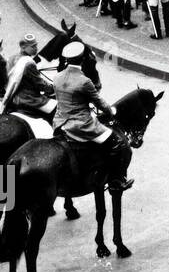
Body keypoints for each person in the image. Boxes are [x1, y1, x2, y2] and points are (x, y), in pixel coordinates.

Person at [51, 41, 132, 192]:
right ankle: (116, 180)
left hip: (60, 122)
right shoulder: (84, 81)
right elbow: (99, 102)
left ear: (67, 60)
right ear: (82, 60)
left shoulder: (57, 77)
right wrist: (110, 111)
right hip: (80, 125)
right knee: (119, 143)